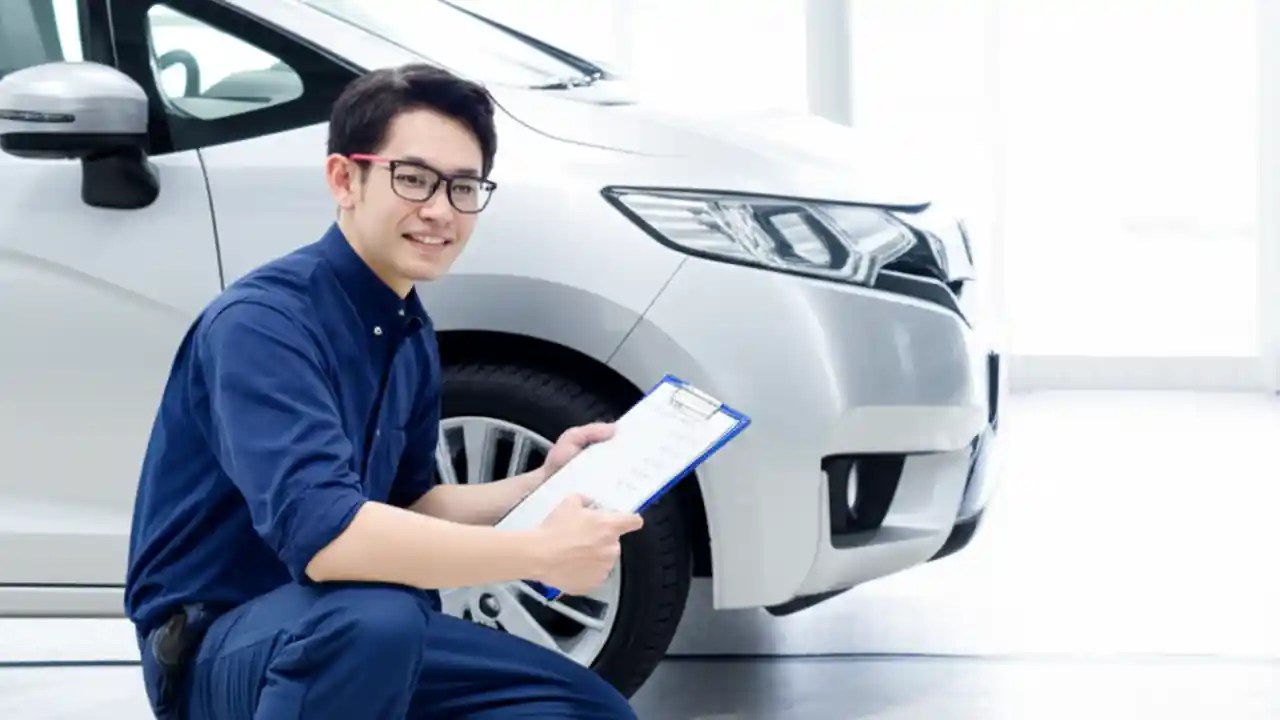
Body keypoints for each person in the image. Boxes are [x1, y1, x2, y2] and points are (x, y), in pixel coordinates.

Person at [123, 63, 644, 720]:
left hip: (360, 630)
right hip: (223, 650)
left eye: (463, 187)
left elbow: (408, 506)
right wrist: (536, 553)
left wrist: (537, 486)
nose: (439, 210)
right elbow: (330, 541)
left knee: (586, 711)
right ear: (345, 179)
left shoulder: (406, 327)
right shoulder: (262, 326)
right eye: (414, 178)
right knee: (377, 617)